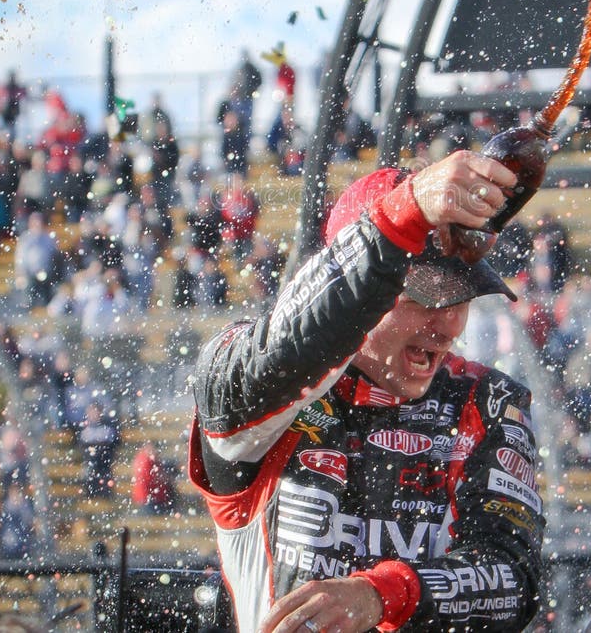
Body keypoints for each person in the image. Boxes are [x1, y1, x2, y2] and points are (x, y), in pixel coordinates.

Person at [190, 150, 545, 632]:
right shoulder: (252, 381)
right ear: (361, 291)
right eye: (425, 297)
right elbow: (281, 350)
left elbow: (514, 580)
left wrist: (382, 595)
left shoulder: (488, 401)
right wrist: (406, 213)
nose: (448, 324)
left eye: (461, 295)